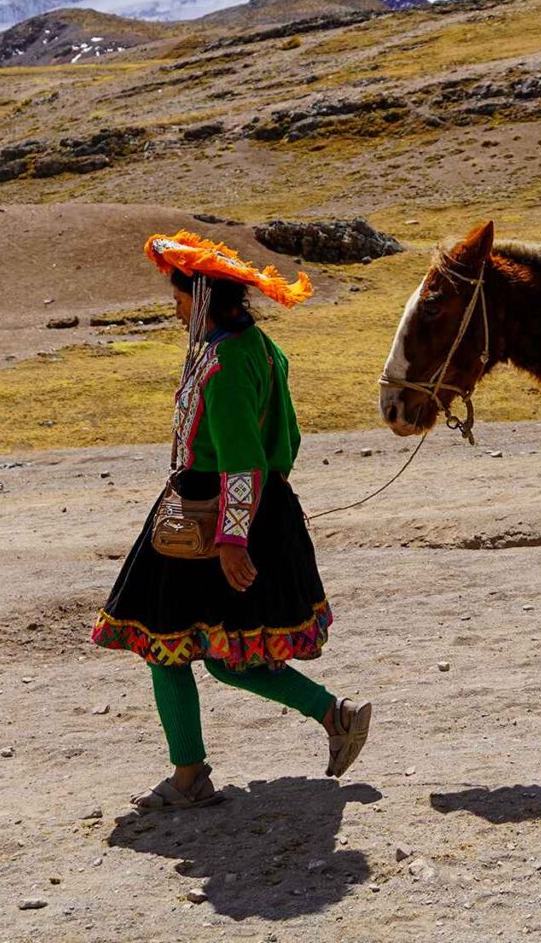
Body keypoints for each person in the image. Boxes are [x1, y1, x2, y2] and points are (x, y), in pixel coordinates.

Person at [92, 232, 371, 808]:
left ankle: (189, 778)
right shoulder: (257, 346)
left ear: (199, 295)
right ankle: (333, 714)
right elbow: (287, 438)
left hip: (212, 517)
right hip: (251, 511)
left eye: (177, 295)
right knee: (226, 656)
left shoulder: (226, 364)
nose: (173, 306)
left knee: (162, 646)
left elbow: (242, 459)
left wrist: (232, 540)